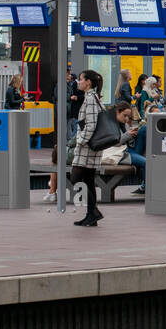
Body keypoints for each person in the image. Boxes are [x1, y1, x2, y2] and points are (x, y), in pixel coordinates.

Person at [70, 69, 106, 227]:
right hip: (92, 146)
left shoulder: (90, 98)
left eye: (81, 79)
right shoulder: (92, 97)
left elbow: (91, 124)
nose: (79, 82)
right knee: (89, 179)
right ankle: (91, 214)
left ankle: (94, 212)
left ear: (88, 82)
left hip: (87, 147)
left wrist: (81, 141)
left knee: (76, 178)